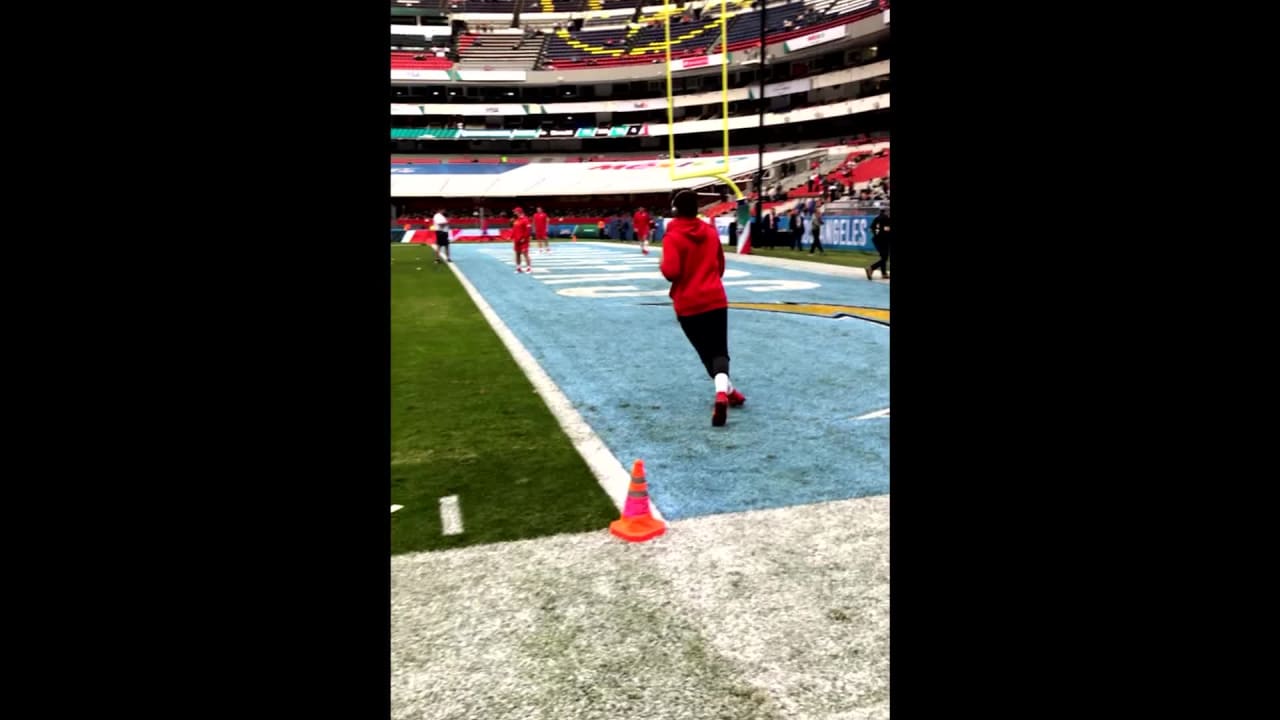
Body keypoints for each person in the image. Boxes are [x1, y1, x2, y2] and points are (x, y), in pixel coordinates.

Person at [659, 190, 746, 427]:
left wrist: (663, 264)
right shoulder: (709, 231)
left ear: (675, 211)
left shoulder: (672, 236)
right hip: (714, 298)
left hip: (688, 304)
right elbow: (720, 267)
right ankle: (727, 392)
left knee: (707, 354)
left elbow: (671, 272)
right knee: (719, 351)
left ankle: (723, 394)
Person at [867, 207, 891, 279]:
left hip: (876, 240)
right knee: (884, 258)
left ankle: (884, 274)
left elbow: (871, 229)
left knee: (883, 257)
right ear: (886, 212)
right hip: (884, 240)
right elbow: (887, 229)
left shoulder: (876, 218)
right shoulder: (887, 218)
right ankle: (871, 268)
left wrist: (876, 234)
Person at [511, 207, 532, 273]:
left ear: (519, 212)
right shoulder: (517, 220)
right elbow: (514, 230)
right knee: (517, 254)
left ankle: (529, 268)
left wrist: (524, 238)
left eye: (515, 211)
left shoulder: (525, 219)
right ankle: (518, 268)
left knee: (525, 254)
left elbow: (528, 230)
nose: (514, 213)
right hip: (517, 240)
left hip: (523, 240)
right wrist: (512, 237)